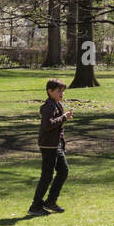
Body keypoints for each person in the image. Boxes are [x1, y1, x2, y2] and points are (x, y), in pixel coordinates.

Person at [30, 78, 74, 216]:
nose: (62, 94)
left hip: (56, 145)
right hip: (48, 146)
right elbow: (48, 125)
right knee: (47, 176)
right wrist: (64, 117)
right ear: (50, 91)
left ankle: (50, 202)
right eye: (59, 91)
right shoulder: (49, 106)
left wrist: (63, 117)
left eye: (63, 91)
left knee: (63, 171)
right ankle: (35, 206)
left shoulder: (56, 104)